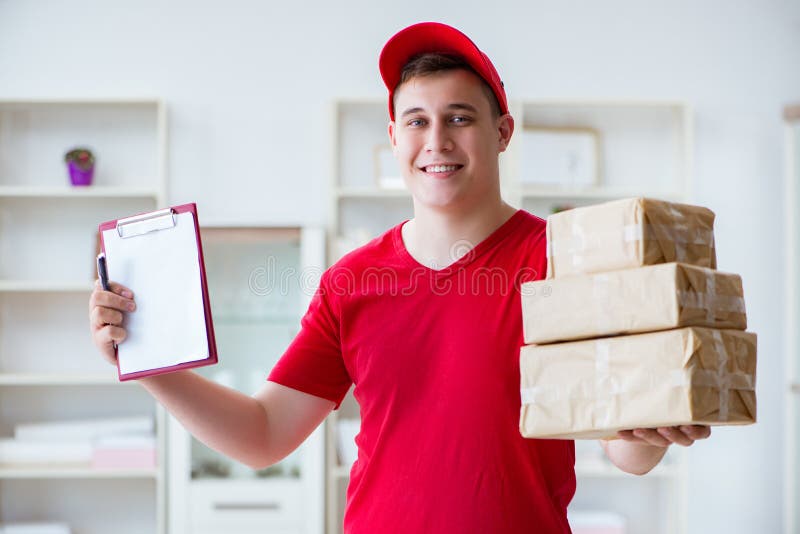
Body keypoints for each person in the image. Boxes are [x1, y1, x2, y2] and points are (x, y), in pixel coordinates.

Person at [89, 21, 711, 533]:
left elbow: (622, 449)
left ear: (502, 132)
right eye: (416, 120)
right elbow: (264, 434)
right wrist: (152, 367)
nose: (436, 140)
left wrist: (651, 430)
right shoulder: (350, 282)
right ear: (393, 137)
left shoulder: (565, 259)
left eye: (460, 117)